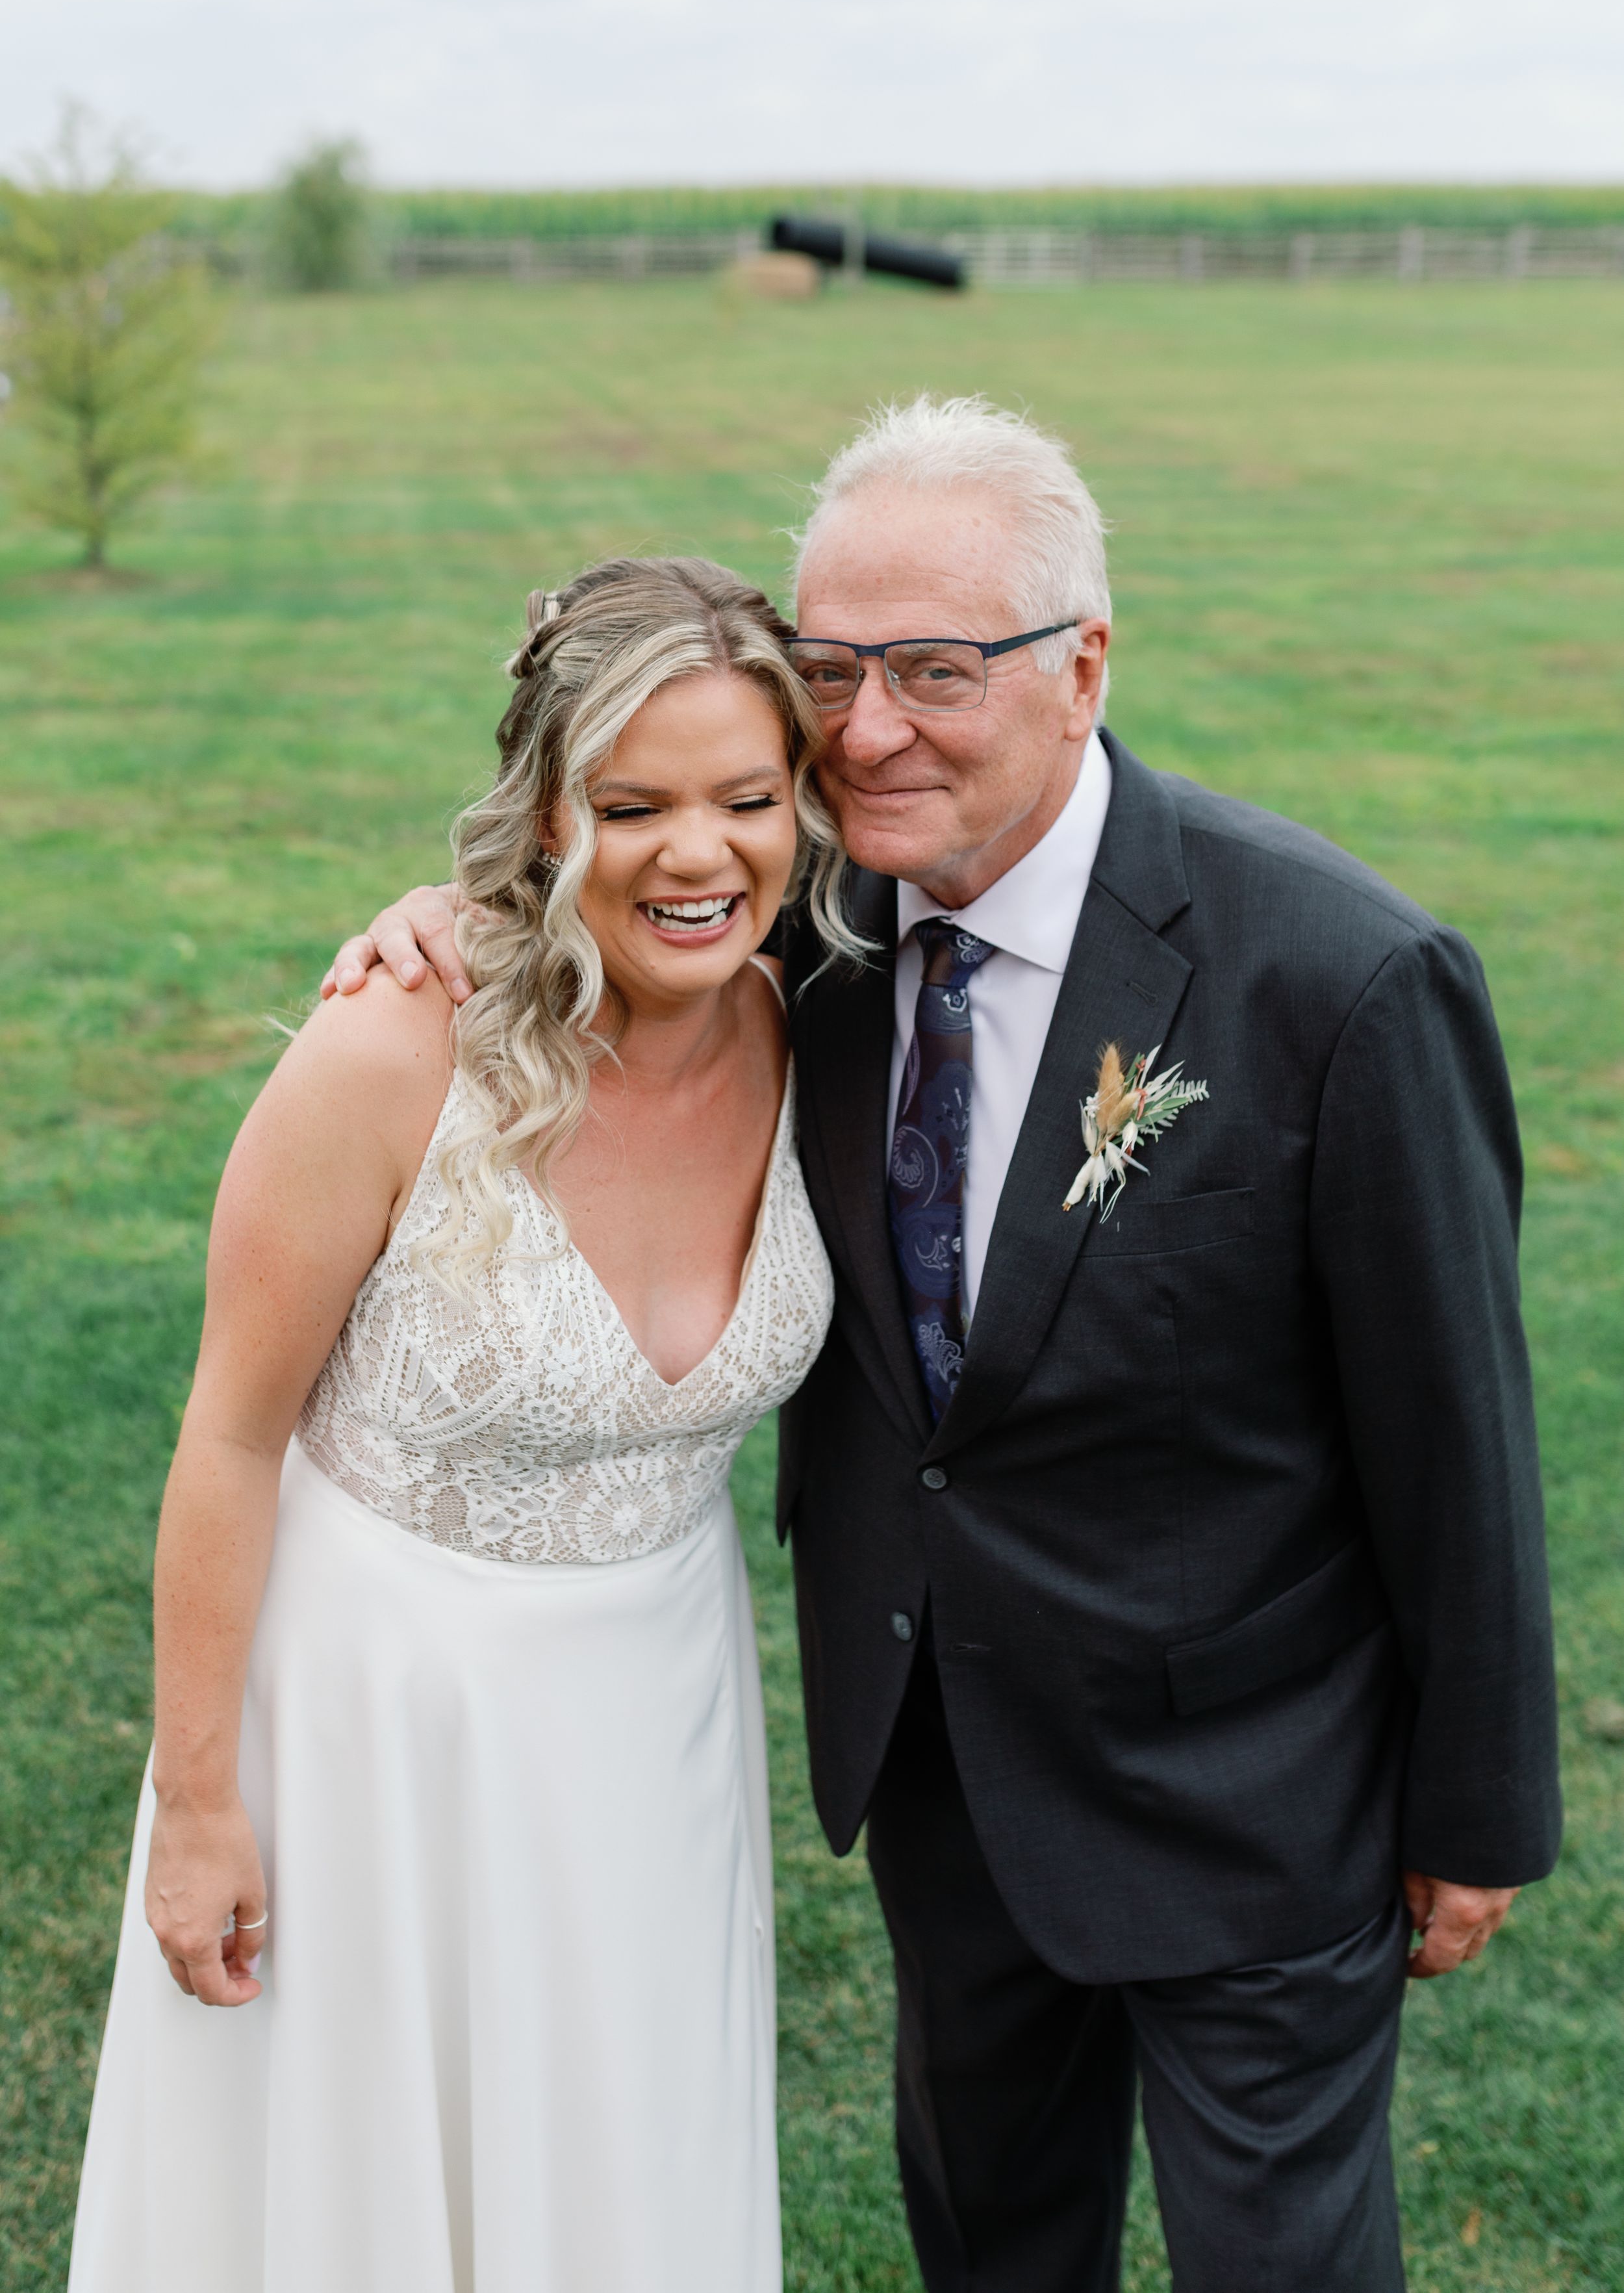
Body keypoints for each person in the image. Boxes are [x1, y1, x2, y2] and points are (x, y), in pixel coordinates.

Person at [331, 398, 1562, 2293]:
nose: (869, 726)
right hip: (942, 1765)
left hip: (1256, 1793)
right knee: (991, 2247)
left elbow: (1457, 1437)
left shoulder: (1339, 978)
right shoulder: (794, 939)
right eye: (831, 671)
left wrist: (1473, 1809)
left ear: (1080, 669)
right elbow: (612, 876)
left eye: (933, 669)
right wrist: (455, 924)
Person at [71, 557, 861, 2293]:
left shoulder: (823, 1019)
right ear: (547, 810)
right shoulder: (387, 1056)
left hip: (658, 1705)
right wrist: (199, 1799)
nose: (699, 852)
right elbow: (226, 1440)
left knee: (616, 2158)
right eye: (633, 805)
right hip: (374, 1722)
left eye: (747, 797)